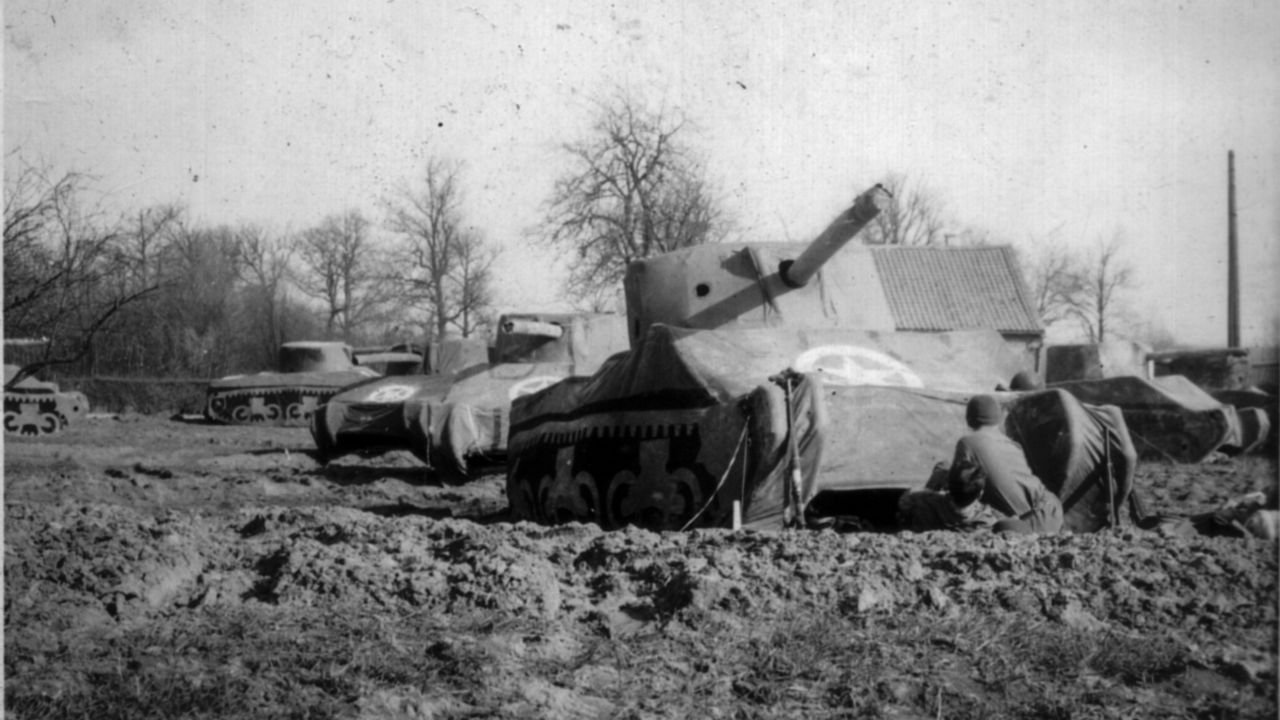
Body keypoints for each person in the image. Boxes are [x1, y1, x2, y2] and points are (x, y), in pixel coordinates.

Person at [947, 394, 1063, 534]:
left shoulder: (967, 443)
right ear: (997, 419)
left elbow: (959, 487)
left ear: (969, 420)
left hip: (1022, 523)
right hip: (1052, 510)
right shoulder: (1013, 444)